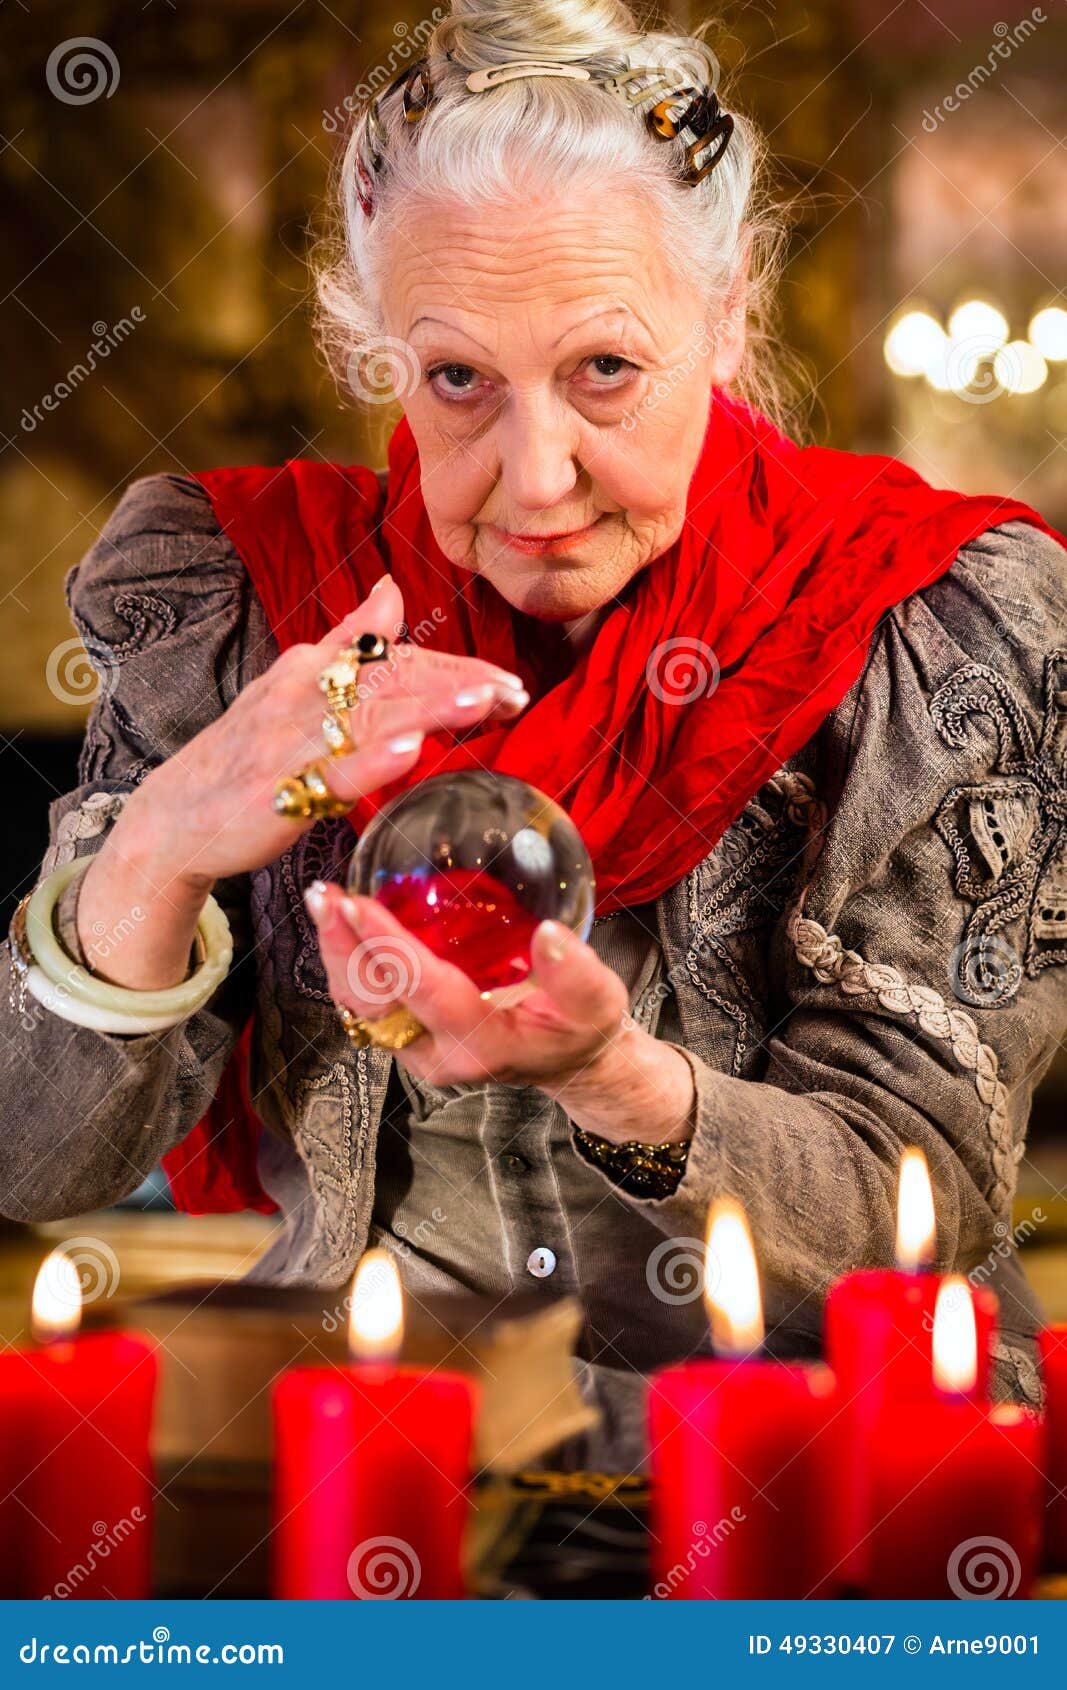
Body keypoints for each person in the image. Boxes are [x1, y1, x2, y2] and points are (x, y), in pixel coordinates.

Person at [4, 0, 1066, 1473]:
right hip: (369, 1470)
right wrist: (166, 843)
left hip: (821, 1493)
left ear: (733, 310)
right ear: (384, 353)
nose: (537, 474)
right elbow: (32, 1159)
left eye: (605, 371)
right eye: (459, 381)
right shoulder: (246, 603)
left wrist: (614, 1075)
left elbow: (932, 1204)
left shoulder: (921, 619)